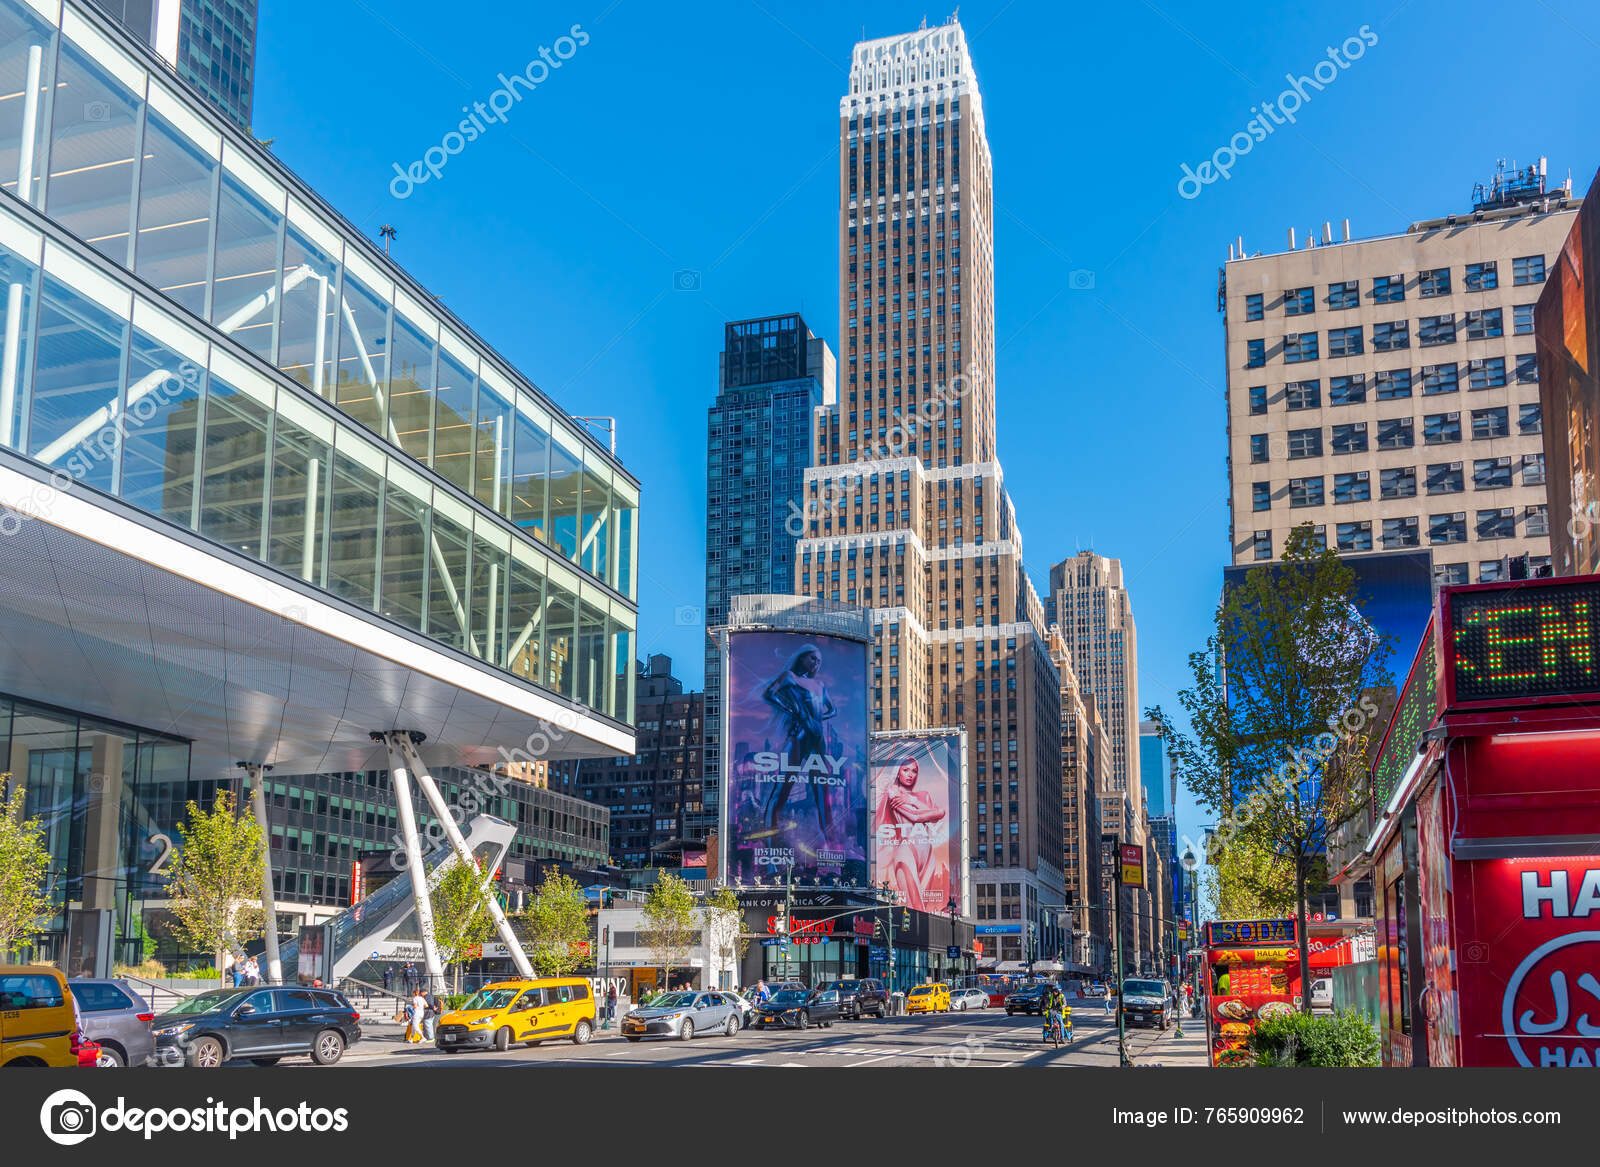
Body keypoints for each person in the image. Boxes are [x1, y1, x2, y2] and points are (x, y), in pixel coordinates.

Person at [760, 644, 839, 839]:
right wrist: (792, 711)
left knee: (822, 788)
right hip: (798, 736)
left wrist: (819, 719)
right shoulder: (789, 676)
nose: (816, 663)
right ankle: (770, 835)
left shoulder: (820, 685)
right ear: (802, 658)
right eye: (813, 658)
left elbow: (833, 709)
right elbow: (768, 694)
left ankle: (830, 839)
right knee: (784, 784)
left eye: (819, 660)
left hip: (817, 739)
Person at [872, 755, 950, 913]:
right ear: (898, 772)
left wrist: (912, 800)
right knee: (915, 907)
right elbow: (916, 817)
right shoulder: (893, 792)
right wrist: (929, 812)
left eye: (914, 771)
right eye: (905, 770)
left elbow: (940, 813)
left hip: (928, 855)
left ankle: (919, 937)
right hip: (907, 851)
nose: (909, 774)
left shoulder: (923, 795)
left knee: (923, 910)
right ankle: (904, 937)